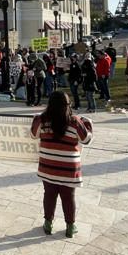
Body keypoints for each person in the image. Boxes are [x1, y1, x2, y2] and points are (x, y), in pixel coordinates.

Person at [30, 91, 93, 238]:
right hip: (68, 169)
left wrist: (36, 119)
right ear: (68, 105)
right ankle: (70, 227)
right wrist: (88, 124)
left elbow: (33, 134)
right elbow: (86, 140)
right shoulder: (75, 121)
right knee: (68, 197)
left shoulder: (42, 120)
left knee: (49, 195)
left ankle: (48, 223)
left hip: (48, 166)